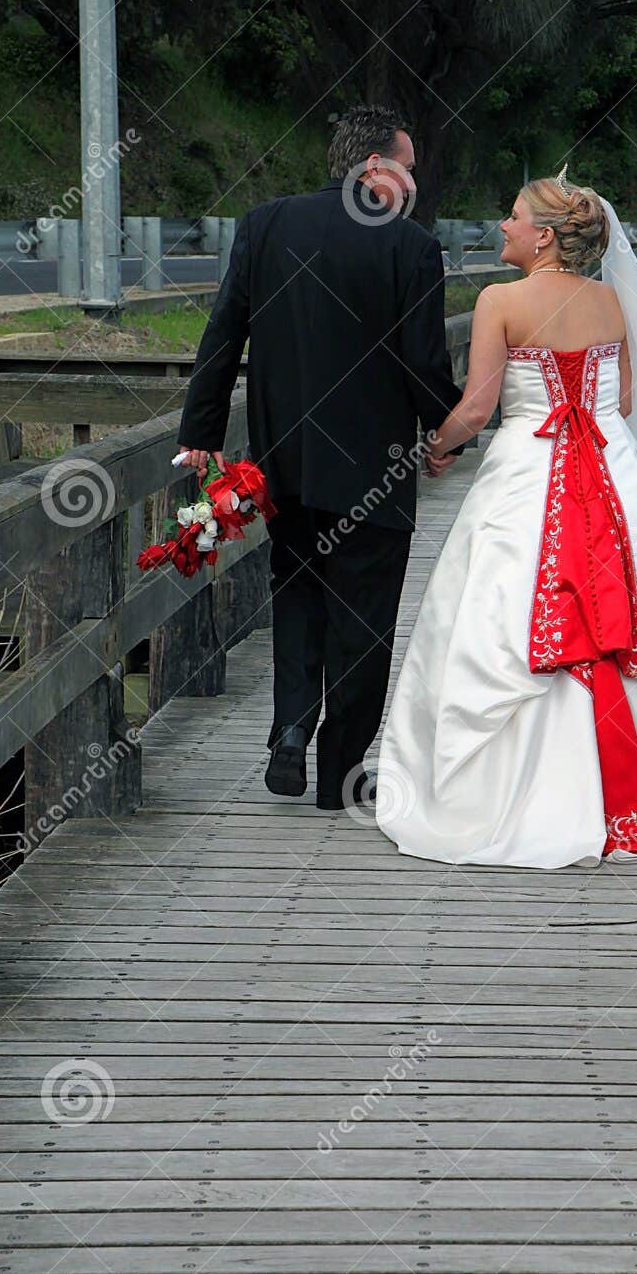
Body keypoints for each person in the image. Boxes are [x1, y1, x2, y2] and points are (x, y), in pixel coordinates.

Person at [375, 172, 637, 867]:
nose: (501, 227)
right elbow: (619, 402)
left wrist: (432, 449)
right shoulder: (612, 302)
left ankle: (525, 798)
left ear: (541, 236)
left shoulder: (500, 300)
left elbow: (476, 409)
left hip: (526, 470)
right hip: (612, 464)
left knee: (497, 605)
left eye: (510, 216)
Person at [176, 104, 462, 809]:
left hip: (287, 462)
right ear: (376, 169)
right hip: (375, 469)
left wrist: (202, 431)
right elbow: (423, 362)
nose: (413, 185)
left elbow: (223, 336)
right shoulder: (410, 249)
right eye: (409, 170)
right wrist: (447, 434)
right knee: (363, 615)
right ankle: (340, 770)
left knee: (297, 592)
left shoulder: (266, 224)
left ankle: (291, 731)